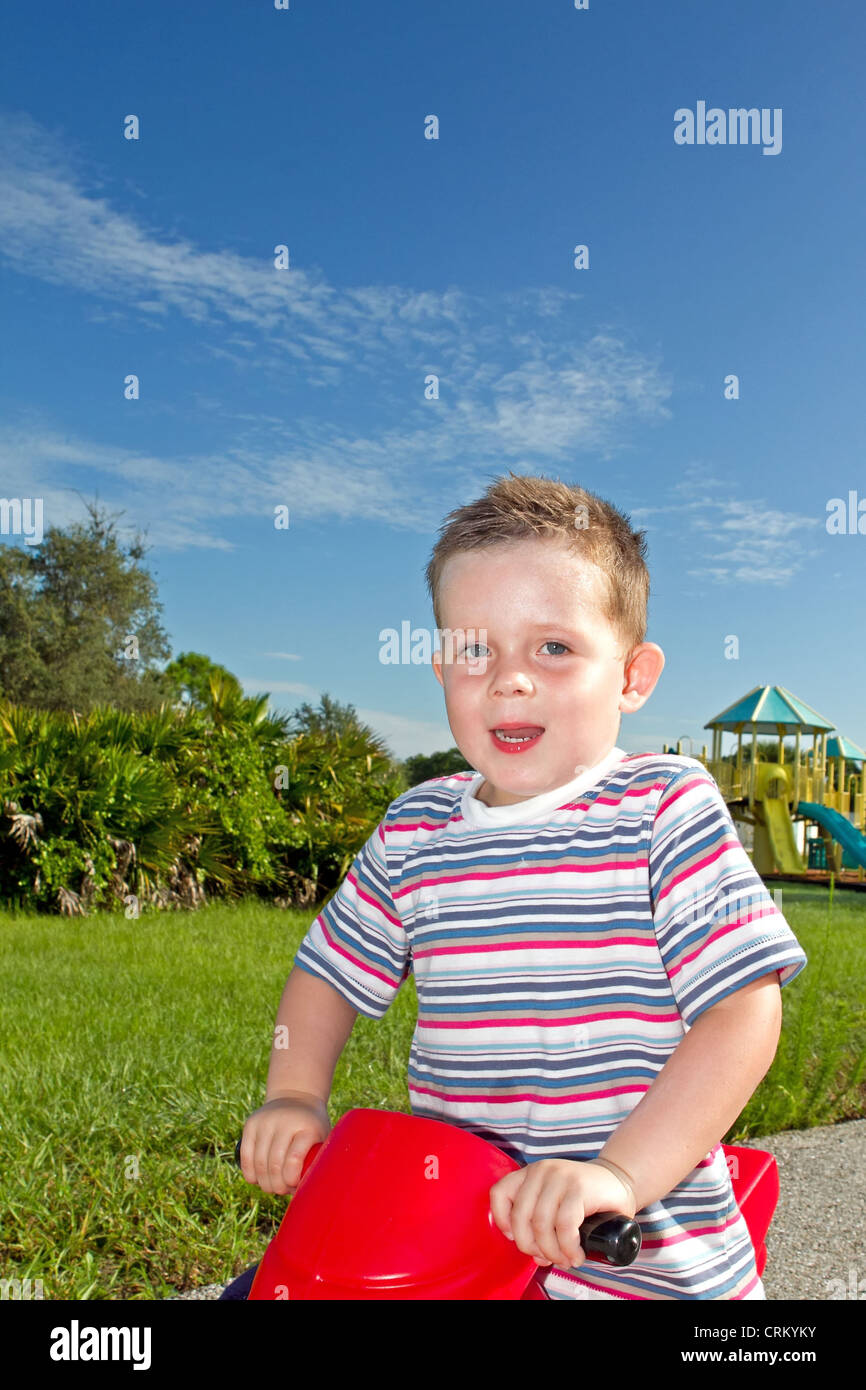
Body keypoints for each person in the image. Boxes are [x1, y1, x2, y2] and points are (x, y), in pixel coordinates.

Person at [229, 472, 807, 1301]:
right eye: (476, 649)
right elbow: (328, 974)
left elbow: (743, 1010)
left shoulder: (662, 809)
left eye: (555, 648)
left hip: (631, 1256)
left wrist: (618, 1173)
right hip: (451, 1222)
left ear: (633, 677)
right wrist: (293, 1093)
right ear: (439, 668)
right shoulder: (415, 828)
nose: (510, 679)